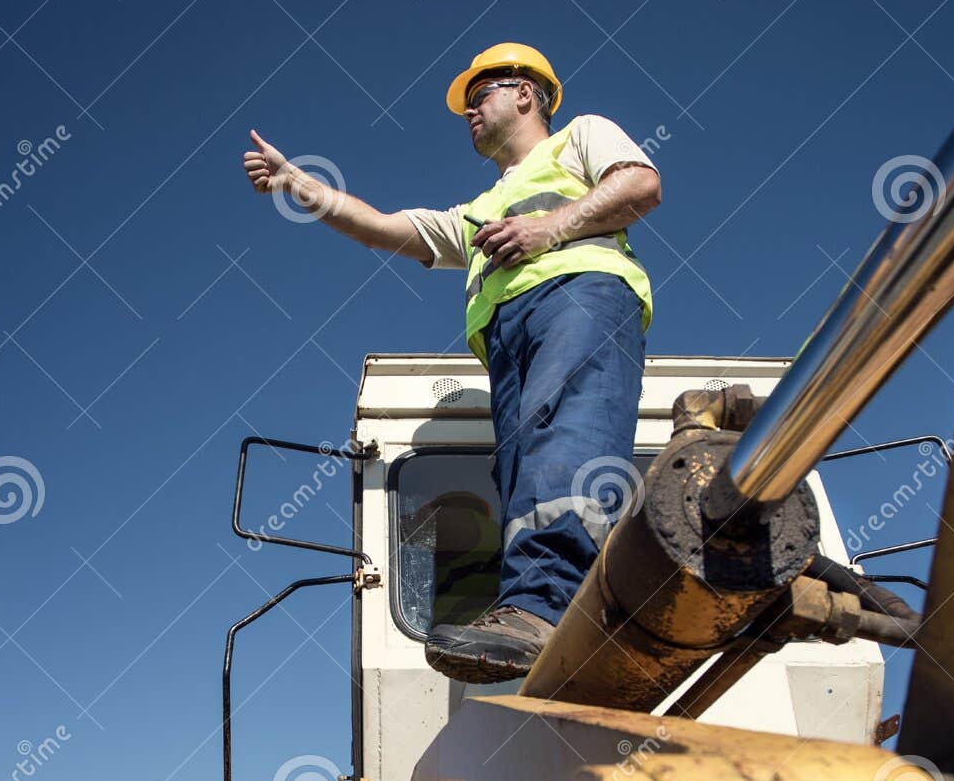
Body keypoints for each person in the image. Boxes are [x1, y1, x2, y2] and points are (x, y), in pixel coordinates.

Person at [243, 41, 660, 682]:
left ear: (526, 92)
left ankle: (545, 605)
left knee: (564, 437)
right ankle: (544, 606)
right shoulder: (475, 214)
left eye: (480, 93)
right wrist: (296, 183)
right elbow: (380, 226)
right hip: (508, 336)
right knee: (522, 470)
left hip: (581, 292)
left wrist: (548, 229)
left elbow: (640, 184)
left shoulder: (581, 136)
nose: (467, 109)